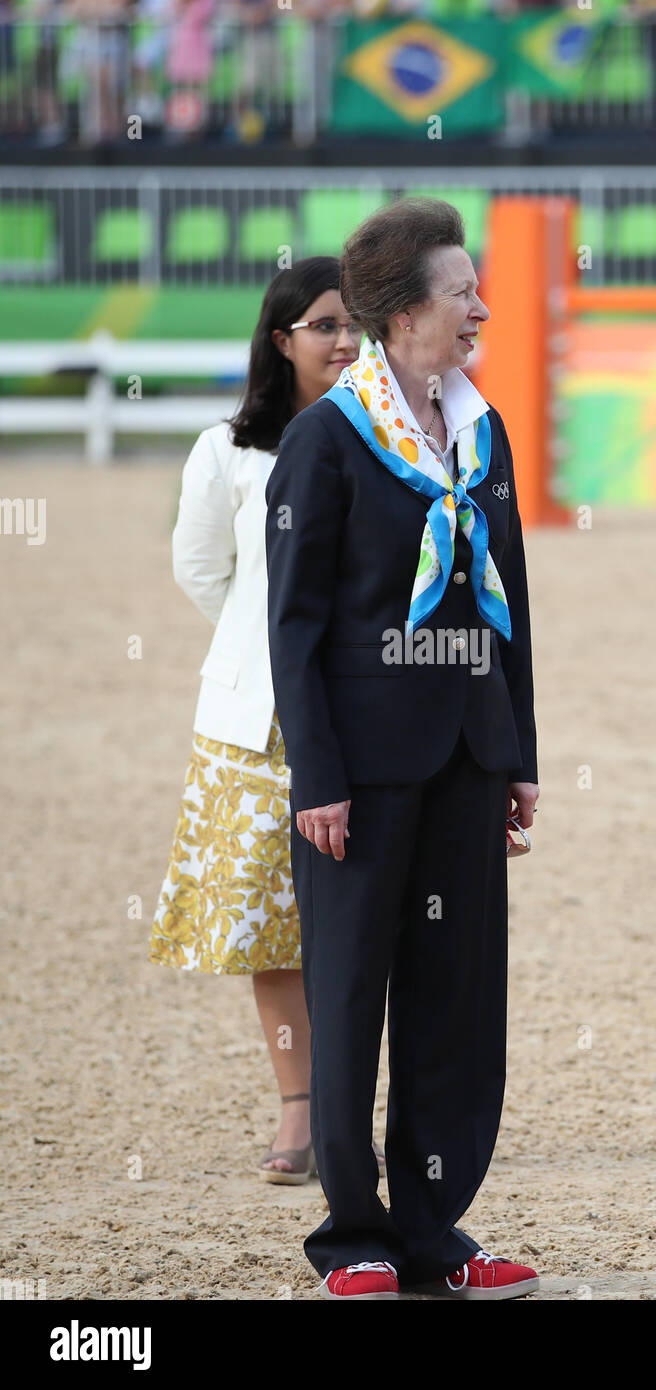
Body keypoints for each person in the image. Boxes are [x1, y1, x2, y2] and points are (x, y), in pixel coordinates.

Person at [265, 197, 540, 1300]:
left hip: (467, 755)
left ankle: (433, 1230)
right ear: (402, 311)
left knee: (456, 1001)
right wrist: (316, 777)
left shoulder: (480, 429)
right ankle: (355, 1235)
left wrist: (518, 751)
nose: (481, 306)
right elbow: (292, 626)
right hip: (362, 771)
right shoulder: (325, 437)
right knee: (350, 997)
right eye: (462, 290)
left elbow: (509, 598)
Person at [150, 259, 378, 1184]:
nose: (345, 341)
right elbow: (202, 570)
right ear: (281, 340)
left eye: (352, 324)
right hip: (253, 730)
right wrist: (272, 650)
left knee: (364, 924)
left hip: (364, 714)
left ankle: (357, 1115)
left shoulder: (382, 439)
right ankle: (301, 1108)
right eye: (325, 325)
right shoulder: (226, 452)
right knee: (268, 930)